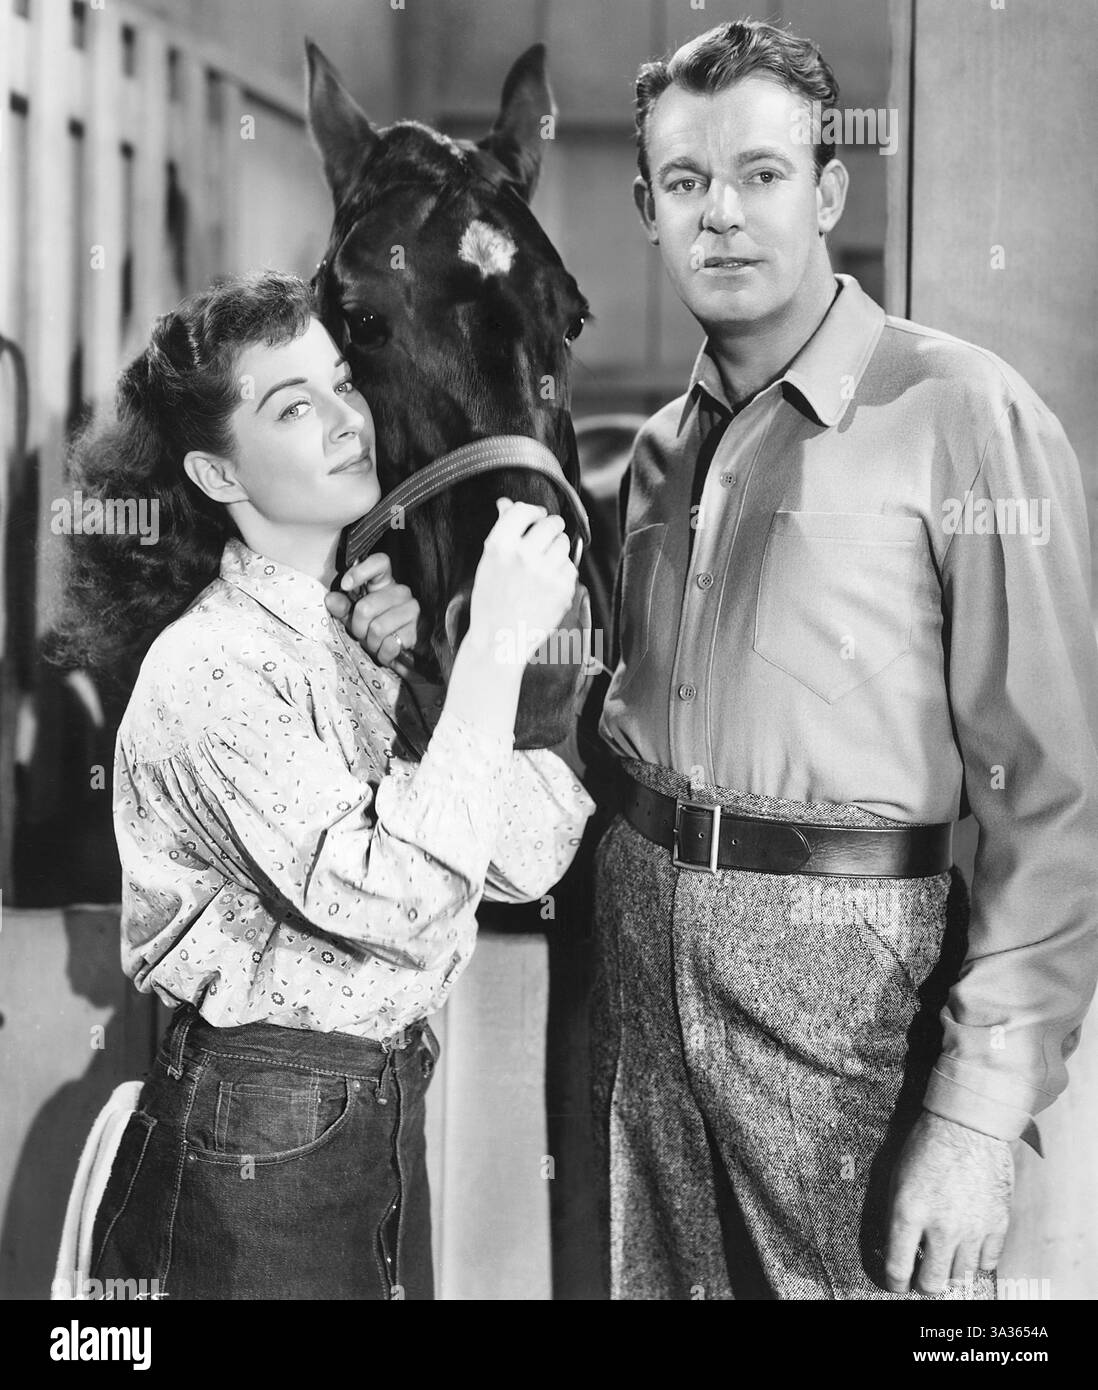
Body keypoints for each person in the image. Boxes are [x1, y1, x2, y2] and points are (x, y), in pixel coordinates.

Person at [592, 19, 1098, 1300]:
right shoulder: (655, 454)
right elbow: (630, 722)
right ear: (648, 209)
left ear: (827, 192)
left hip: (856, 1007)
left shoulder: (965, 414)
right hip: (645, 987)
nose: (723, 215)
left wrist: (980, 1114)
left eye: (762, 174)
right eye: (689, 183)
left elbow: (1058, 797)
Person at [54, 268, 593, 1300]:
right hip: (260, 1130)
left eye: (343, 385)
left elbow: (528, 855)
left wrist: (444, 676)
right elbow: (404, 898)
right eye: (292, 405)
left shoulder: (347, 636)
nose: (345, 418)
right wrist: (492, 652)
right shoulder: (208, 668)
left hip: (376, 1108)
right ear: (218, 474)